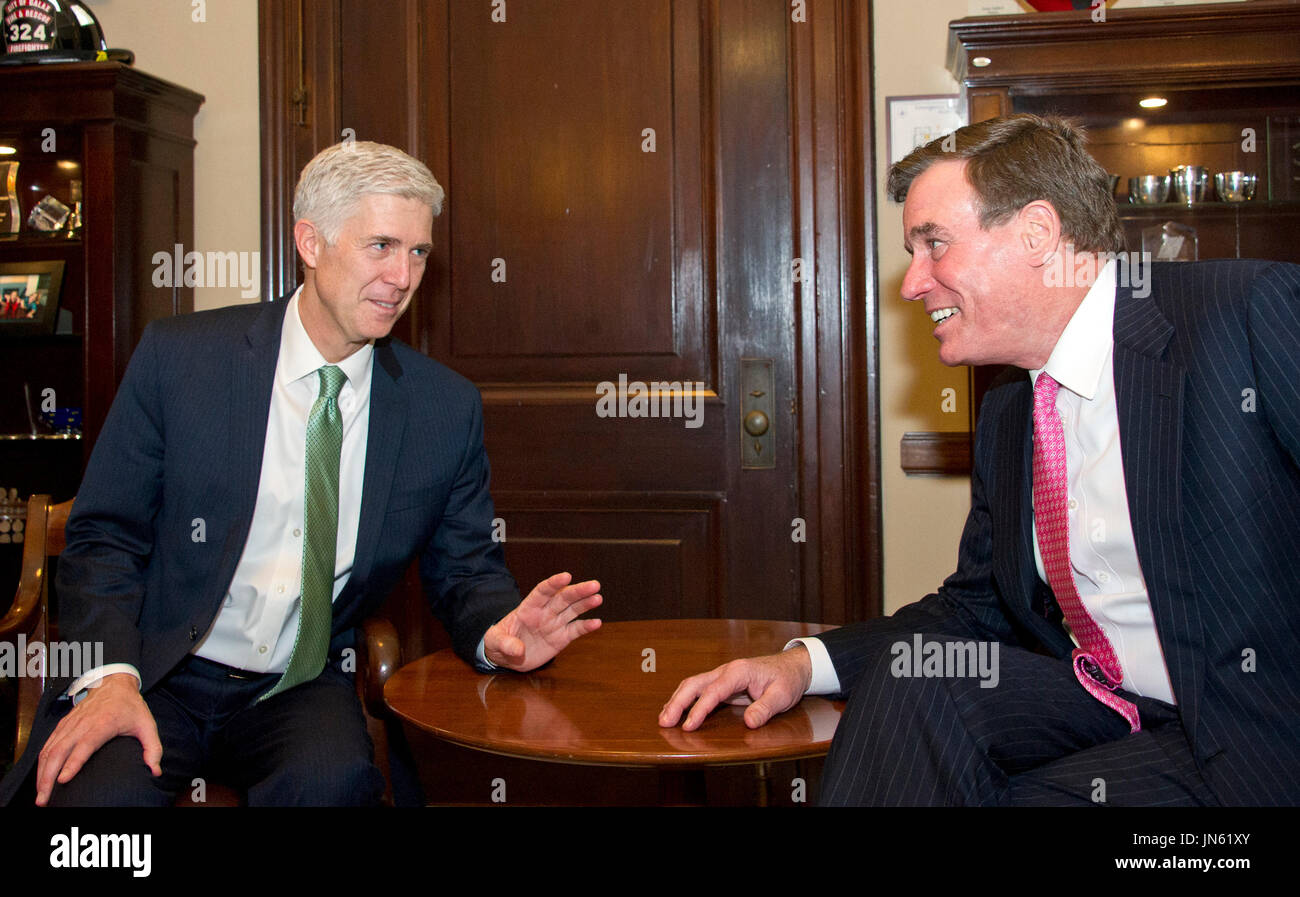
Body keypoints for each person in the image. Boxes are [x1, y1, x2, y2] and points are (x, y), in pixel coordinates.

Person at [660, 114, 1300, 806]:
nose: (913, 283)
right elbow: (979, 607)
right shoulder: (1008, 411)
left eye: (934, 243)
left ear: (1037, 233)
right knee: (913, 678)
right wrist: (799, 664)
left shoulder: (1242, 315)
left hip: (1253, 739)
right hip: (1104, 703)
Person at [0, 140, 603, 807]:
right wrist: (111, 677)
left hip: (299, 685)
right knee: (93, 816)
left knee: (335, 787)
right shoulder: (181, 362)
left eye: (419, 252)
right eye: (380, 246)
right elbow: (104, 539)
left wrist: (500, 635)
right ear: (310, 243)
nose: (402, 277)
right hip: (154, 671)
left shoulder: (441, 407)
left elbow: (465, 570)